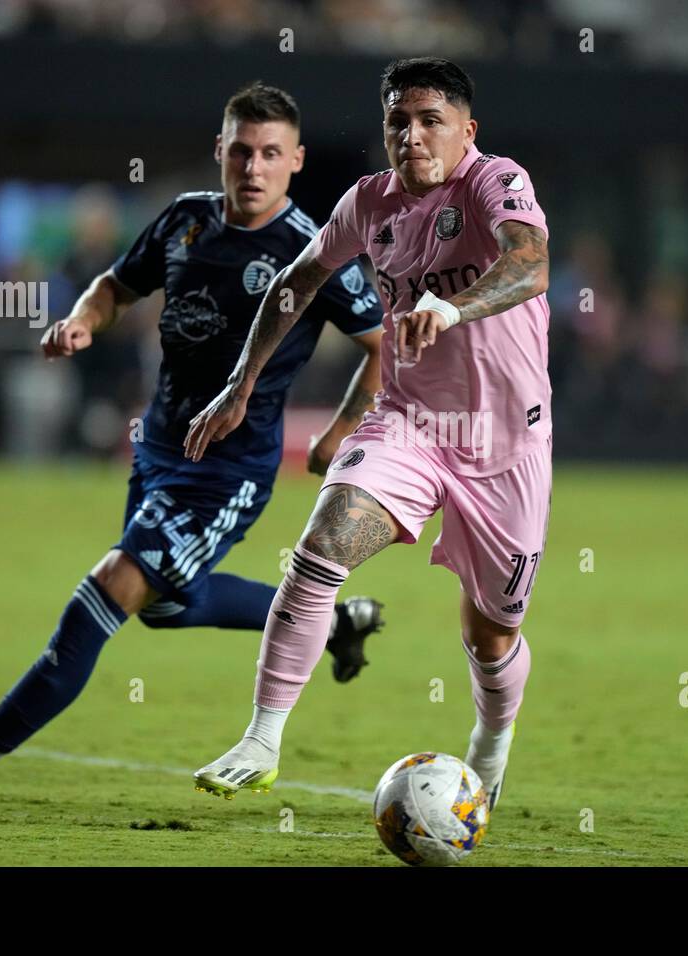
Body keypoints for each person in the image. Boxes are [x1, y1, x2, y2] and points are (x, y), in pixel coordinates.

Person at [0, 82, 387, 795]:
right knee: (171, 607)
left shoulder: (313, 251)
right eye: (241, 150)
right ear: (220, 151)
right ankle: (330, 622)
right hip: (159, 451)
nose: (253, 167)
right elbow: (116, 285)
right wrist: (85, 320)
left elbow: (381, 344)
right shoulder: (184, 221)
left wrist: (340, 431)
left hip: (226, 472)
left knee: (110, 588)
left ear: (296, 160)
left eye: (271, 153)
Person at [184, 58, 551, 811]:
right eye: (397, 121)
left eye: (429, 121)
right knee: (323, 542)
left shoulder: (492, 181)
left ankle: (490, 742)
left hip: (506, 445)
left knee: (492, 635)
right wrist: (240, 381)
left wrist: (450, 310)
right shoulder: (368, 202)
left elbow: (531, 264)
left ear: (465, 131)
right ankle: (262, 737)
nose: (411, 136)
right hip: (410, 425)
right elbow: (298, 282)